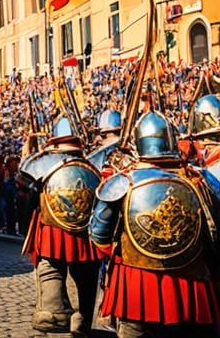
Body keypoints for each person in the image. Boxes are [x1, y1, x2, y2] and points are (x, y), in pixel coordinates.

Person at [89, 110, 219, 338]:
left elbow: (99, 234)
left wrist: (129, 254)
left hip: (135, 280)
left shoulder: (122, 181)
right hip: (190, 278)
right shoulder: (198, 178)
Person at [18, 116, 101, 337]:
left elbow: (23, 174)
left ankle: (53, 312)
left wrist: (28, 148)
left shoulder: (44, 163)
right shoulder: (91, 165)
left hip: (53, 228)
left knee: (51, 267)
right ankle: (81, 320)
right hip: (85, 231)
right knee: (87, 278)